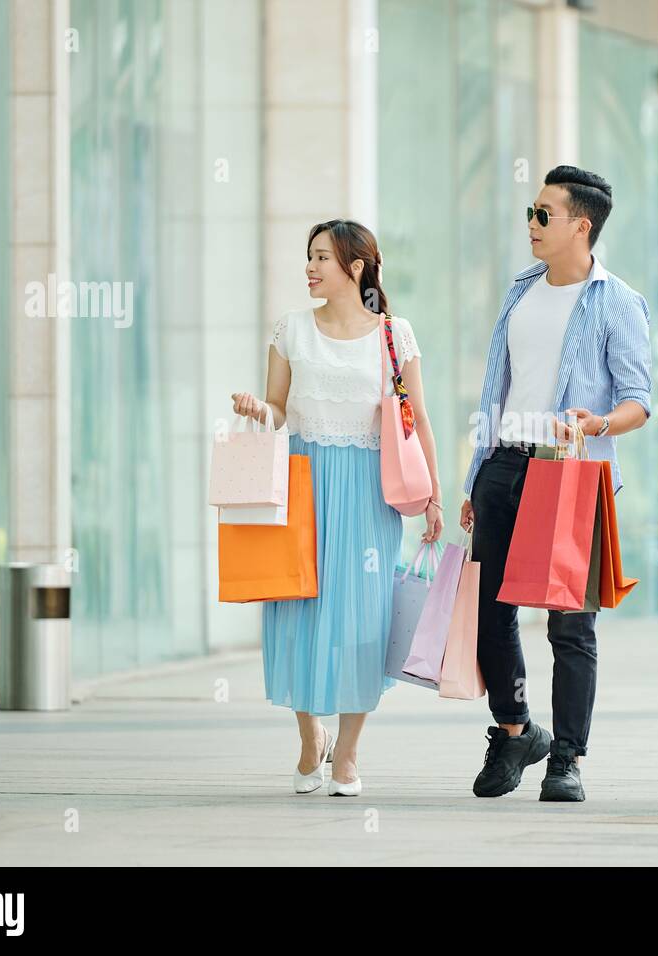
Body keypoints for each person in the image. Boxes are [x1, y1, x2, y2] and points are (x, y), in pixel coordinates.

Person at [458, 165, 652, 802]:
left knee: (570, 621)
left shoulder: (617, 301)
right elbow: (498, 386)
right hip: (505, 463)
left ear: (582, 225)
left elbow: (638, 400)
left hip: (570, 470)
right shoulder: (519, 291)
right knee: (492, 610)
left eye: (545, 214)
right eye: (530, 212)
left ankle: (566, 756)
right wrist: (475, 475)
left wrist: (597, 422)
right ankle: (514, 729)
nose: (532, 224)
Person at [231, 219, 443, 798]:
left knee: (361, 617)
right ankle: (309, 738)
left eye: (322, 257)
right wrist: (258, 410)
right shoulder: (291, 329)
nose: (310, 267)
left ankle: (347, 752)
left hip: (369, 489)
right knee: (296, 608)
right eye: (308, 256)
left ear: (356, 266)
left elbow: (416, 418)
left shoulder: (394, 335)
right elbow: (277, 408)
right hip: (301, 482)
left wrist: (434, 498)